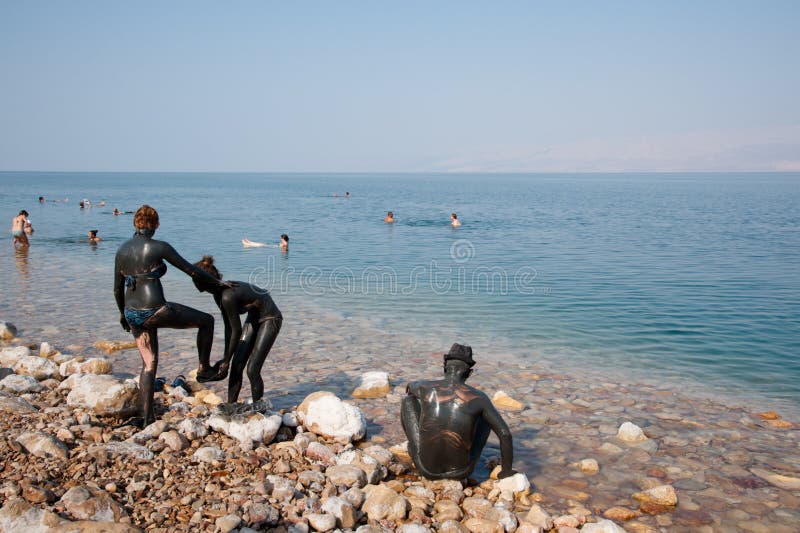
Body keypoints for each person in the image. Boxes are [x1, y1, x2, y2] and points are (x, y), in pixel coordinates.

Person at [114, 205, 230, 427]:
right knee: (207, 321)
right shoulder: (159, 247)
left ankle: (146, 418)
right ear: (156, 224)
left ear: (135, 224)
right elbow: (191, 270)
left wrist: (122, 315)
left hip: (132, 313)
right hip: (155, 310)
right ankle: (204, 369)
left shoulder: (122, 251)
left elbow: (117, 289)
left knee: (148, 364)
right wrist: (218, 283)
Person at [401, 343, 515, 480]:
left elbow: (411, 386)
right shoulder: (479, 397)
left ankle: (419, 447)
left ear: (444, 368)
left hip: (426, 469)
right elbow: (505, 434)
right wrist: (506, 471)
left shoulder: (424, 387)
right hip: (461, 472)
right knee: (486, 417)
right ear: (469, 373)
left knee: (408, 401)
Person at [193, 256, 282, 404]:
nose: (194, 282)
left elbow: (236, 331)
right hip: (254, 319)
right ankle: (230, 405)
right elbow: (229, 328)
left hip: (270, 318)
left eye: (195, 279)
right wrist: (226, 358)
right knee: (236, 366)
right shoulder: (218, 295)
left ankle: (258, 407)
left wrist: (226, 360)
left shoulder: (227, 296)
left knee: (252, 369)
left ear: (203, 281)